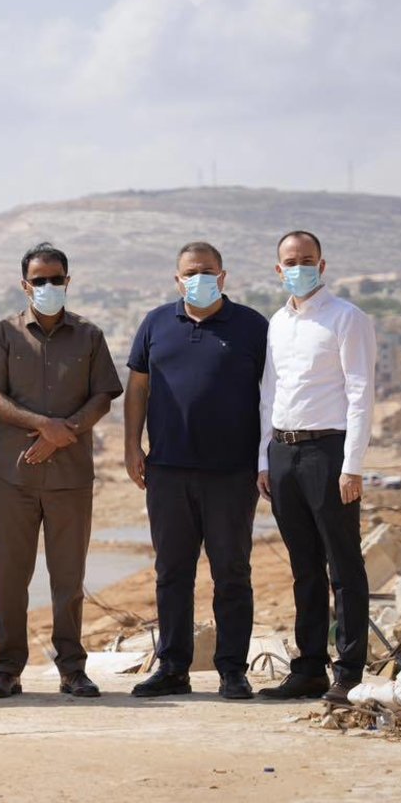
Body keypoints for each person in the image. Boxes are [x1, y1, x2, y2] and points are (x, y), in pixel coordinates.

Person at [0, 243, 122, 699]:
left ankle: (72, 669)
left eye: (56, 279)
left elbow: (103, 395)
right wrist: (44, 426)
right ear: (25, 285)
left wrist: (69, 430)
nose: (48, 287)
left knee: (68, 578)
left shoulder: (90, 336)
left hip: (71, 478)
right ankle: (7, 670)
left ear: (68, 282)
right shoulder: (3, 334)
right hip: (14, 478)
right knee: (10, 579)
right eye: (39, 280)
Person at [124, 241, 268, 700]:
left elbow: (272, 395)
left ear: (223, 276)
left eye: (207, 271)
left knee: (231, 572)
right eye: (191, 272)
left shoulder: (252, 327)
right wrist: (131, 444)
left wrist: (265, 458)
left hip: (232, 473)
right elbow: (137, 388)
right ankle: (172, 667)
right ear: (177, 278)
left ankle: (231, 670)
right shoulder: (156, 323)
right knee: (172, 572)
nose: (199, 278)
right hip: (167, 471)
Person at [257, 230, 377, 704]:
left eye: (308, 260)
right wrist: (263, 458)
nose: (299, 267)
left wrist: (353, 466)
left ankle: (349, 671)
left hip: (329, 453)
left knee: (343, 565)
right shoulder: (276, 324)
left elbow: (360, 393)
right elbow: (269, 393)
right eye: (291, 260)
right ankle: (308, 668)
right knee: (303, 566)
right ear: (278, 268)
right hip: (284, 454)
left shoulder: (347, 319)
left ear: (322, 266)